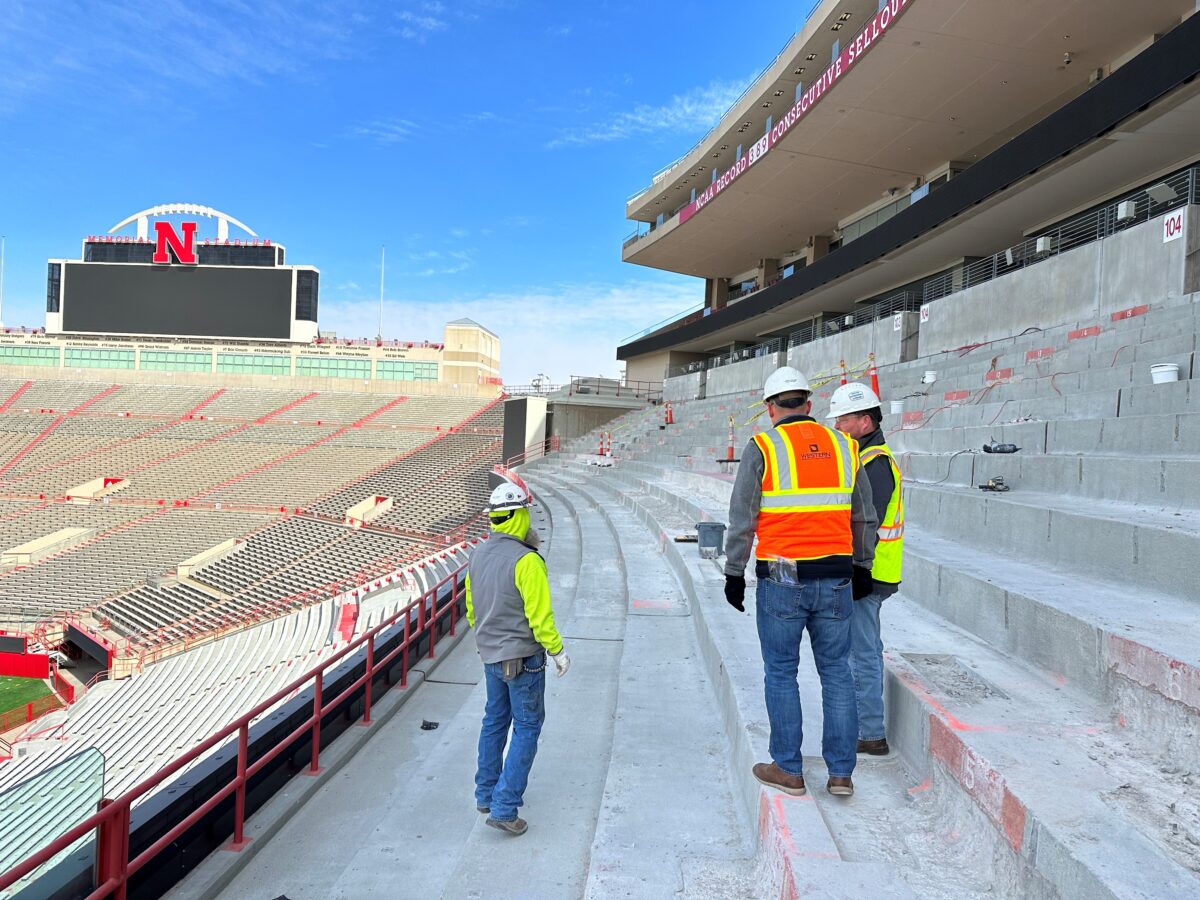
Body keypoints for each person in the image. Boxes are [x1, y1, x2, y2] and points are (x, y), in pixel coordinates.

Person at [724, 367, 878, 798]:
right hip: (835, 577)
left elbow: (743, 518)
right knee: (837, 674)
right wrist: (863, 566)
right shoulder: (846, 445)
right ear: (809, 405)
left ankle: (789, 769)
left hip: (782, 576)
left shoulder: (763, 446)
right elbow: (864, 514)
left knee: (780, 672)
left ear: (771, 408)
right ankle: (841, 773)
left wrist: (734, 573)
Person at [466, 481, 570, 836]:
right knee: (527, 727)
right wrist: (557, 650)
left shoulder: (478, 554)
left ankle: (485, 793)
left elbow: (471, 609)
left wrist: (489, 640)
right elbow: (540, 618)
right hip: (523, 659)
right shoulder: (527, 560)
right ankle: (505, 807)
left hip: (491, 655)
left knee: (494, 721)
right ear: (520, 515)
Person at [827, 382, 903, 756]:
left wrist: (859, 568)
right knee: (863, 649)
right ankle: (865, 726)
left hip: (869, 575)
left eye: (843, 419)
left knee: (863, 652)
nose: (838, 426)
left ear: (865, 420)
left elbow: (866, 523)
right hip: (868, 571)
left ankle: (871, 733)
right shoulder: (863, 458)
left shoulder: (875, 463)